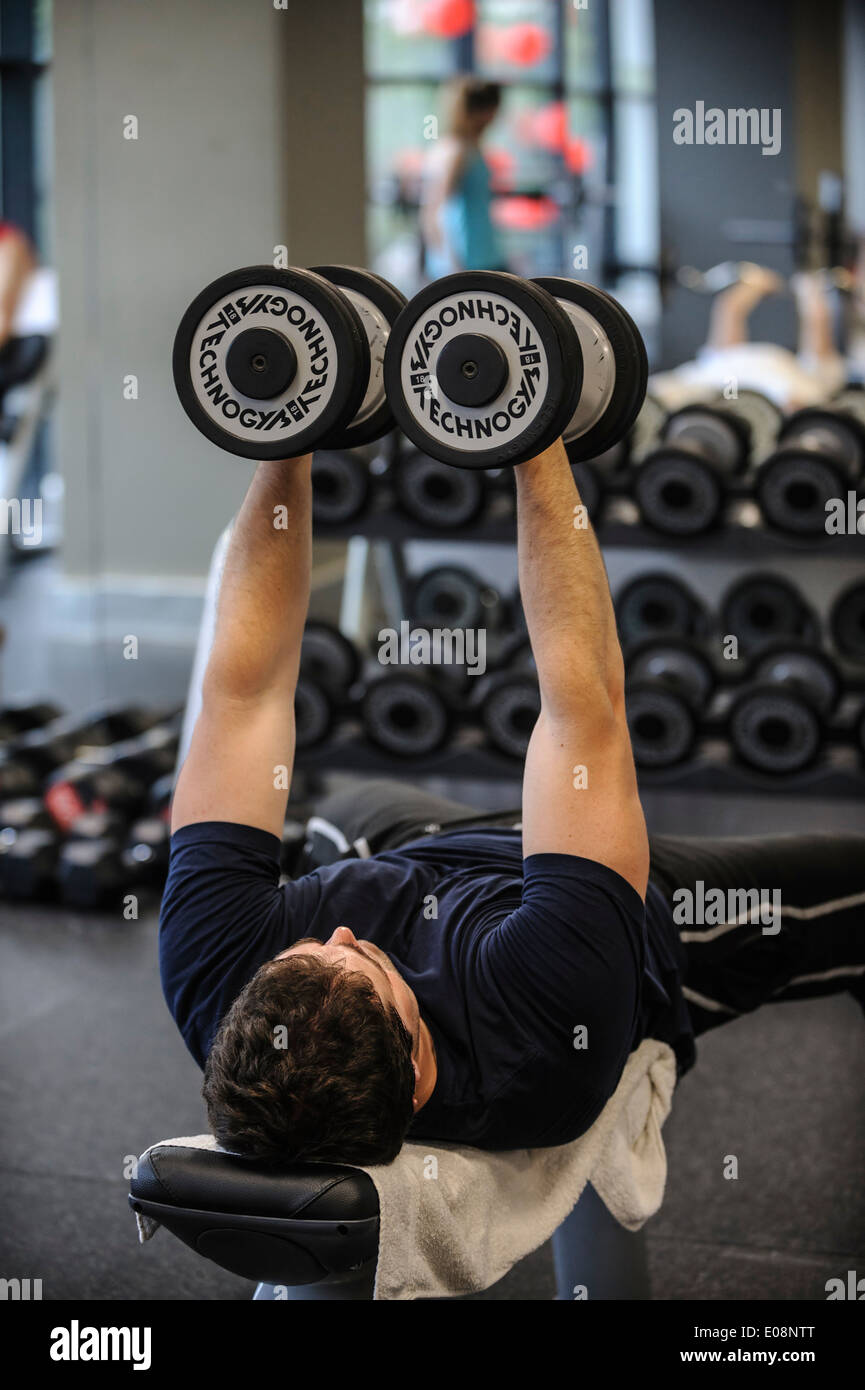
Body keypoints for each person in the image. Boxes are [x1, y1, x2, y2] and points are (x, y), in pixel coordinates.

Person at [159, 441, 865, 1166]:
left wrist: (286, 441)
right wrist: (532, 439)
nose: (340, 934)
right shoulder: (540, 1030)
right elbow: (579, 705)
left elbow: (245, 695)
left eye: (307, 950)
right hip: (600, 902)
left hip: (403, 847)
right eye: (366, 965)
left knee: (338, 811)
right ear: (414, 1082)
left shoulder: (216, 977)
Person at [421, 76, 507, 278]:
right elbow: (435, 210)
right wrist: (451, 264)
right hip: (463, 261)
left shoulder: (469, 147)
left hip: (483, 255)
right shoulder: (455, 151)